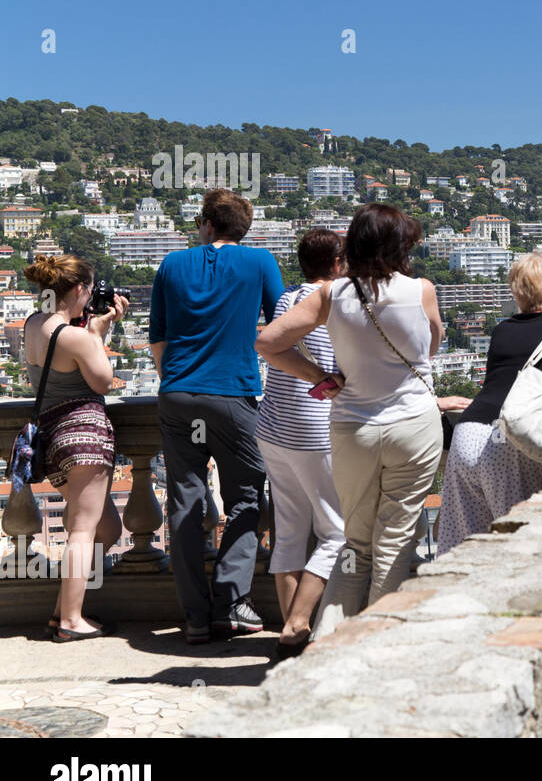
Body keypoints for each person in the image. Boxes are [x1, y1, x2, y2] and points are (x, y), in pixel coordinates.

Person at [255, 204, 467, 639]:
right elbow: (432, 347)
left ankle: (326, 640)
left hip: (353, 427)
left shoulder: (331, 295)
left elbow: (267, 342)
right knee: (396, 538)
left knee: (356, 542)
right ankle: (376, 640)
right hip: (412, 425)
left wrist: (319, 376)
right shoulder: (421, 289)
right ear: (399, 245)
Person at [150, 189, 284, 645]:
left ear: (206, 223)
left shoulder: (171, 265)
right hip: (235, 394)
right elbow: (282, 328)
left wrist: (179, 382)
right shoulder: (260, 263)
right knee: (246, 496)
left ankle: (196, 617)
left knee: (184, 505)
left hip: (178, 395)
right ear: (242, 229)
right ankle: (232, 603)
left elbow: (158, 342)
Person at [437, 252, 542, 556]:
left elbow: (504, 387)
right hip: (510, 446)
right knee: (522, 551)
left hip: (467, 435)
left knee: (464, 554)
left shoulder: (502, 330)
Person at [21, 256, 129, 641]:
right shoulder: (77, 336)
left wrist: (94, 330)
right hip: (83, 434)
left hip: (51, 437)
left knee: (108, 527)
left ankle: (59, 612)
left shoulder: (33, 324)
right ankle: (71, 620)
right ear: (81, 289)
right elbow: (102, 381)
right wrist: (100, 331)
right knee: (83, 531)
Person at [252, 229, 347, 659]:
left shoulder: (286, 299)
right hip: (315, 430)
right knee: (337, 532)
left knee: (289, 531)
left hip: (273, 428)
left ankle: (292, 639)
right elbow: (339, 366)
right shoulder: (335, 305)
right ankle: (298, 623)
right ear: (339, 262)